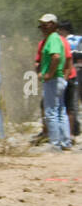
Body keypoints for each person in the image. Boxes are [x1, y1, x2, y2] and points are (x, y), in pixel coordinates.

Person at [37, 14, 71, 151]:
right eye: (42, 24)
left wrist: (49, 74)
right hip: (58, 78)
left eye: (47, 24)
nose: (44, 27)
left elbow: (56, 57)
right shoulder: (55, 38)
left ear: (54, 25)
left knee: (51, 111)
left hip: (53, 79)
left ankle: (56, 144)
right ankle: (65, 142)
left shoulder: (53, 39)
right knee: (60, 110)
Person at [58, 20, 79, 139]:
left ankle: (69, 132)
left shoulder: (65, 40)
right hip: (75, 71)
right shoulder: (79, 38)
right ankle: (74, 131)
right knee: (74, 104)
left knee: (67, 104)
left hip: (69, 71)